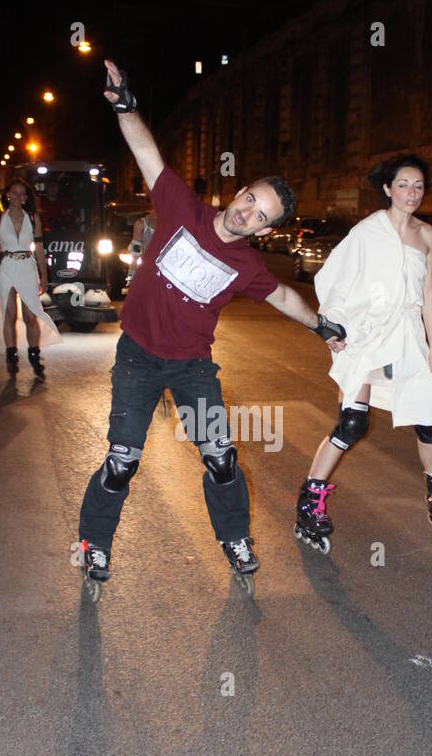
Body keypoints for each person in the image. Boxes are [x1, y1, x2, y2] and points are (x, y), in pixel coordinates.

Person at [77, 57, 345, 597]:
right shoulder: (181, 207)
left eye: (261, 216)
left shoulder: (246, 266)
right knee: (122, 460)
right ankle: (92, 542)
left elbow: (285, 297)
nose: (248, 214)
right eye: (251, 200)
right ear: (241, 190)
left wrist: (322, 326)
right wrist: (125, 103)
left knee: (221, 458)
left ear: (265, 230)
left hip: (192, 368)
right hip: (137, 356)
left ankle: (235, 538)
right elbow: (146, 152)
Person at [295, 154, 432, 552]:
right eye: (404, 184)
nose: (412, 192)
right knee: (352, 424)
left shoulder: (428, 236)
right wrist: (332, 327)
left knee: (429, 416)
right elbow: (334, 276)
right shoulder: (368, 231)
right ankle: (310, 500)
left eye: (419, 186)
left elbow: (427, 295)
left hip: (408, 336)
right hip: (367, 334)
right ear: (388, 189)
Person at [0, 177, 61, 379]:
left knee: (31, 316)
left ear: (25, 198)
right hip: (6, 267)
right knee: (9, 316)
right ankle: (11, 356)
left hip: (27, 268)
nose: (18, 196)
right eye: (14, 192)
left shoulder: (32, 219)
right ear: (8, 195)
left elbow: (39, 249)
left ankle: (34, 356)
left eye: (22, 193)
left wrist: (44, 277)